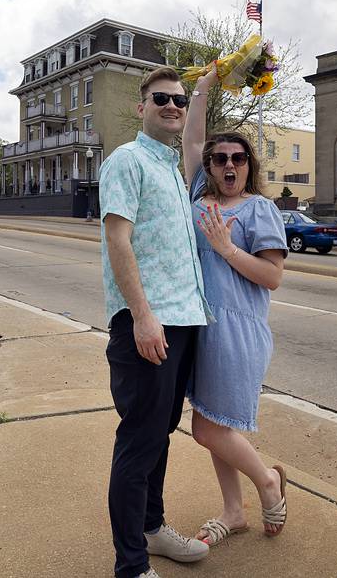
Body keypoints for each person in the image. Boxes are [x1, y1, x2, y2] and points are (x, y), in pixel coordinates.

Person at [101, 66, 212, 578]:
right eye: (160, 99)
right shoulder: (127, 159)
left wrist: (207, 87)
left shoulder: (171, 165)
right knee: (140, 439)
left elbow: (196, 138)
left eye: (180, 100)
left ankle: (152, 528)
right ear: (140, 107)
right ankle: (132, 565)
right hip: (148, 322)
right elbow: (117, 240)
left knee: (161, 432)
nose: (172, 106)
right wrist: (143, 317)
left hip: (184, 320)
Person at [181, 68, 289, 548]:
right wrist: (202, 90)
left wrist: (227, 249)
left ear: (249, 165)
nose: (229, 166)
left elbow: (272, 277)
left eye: (238, 159)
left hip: (238, 332)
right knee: (214, 421)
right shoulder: (198, 200)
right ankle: (233, 511)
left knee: (206, 427)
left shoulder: (258, 210)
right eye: (219, 159)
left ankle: (266, 481)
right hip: (199, 328)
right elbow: (190, 142)